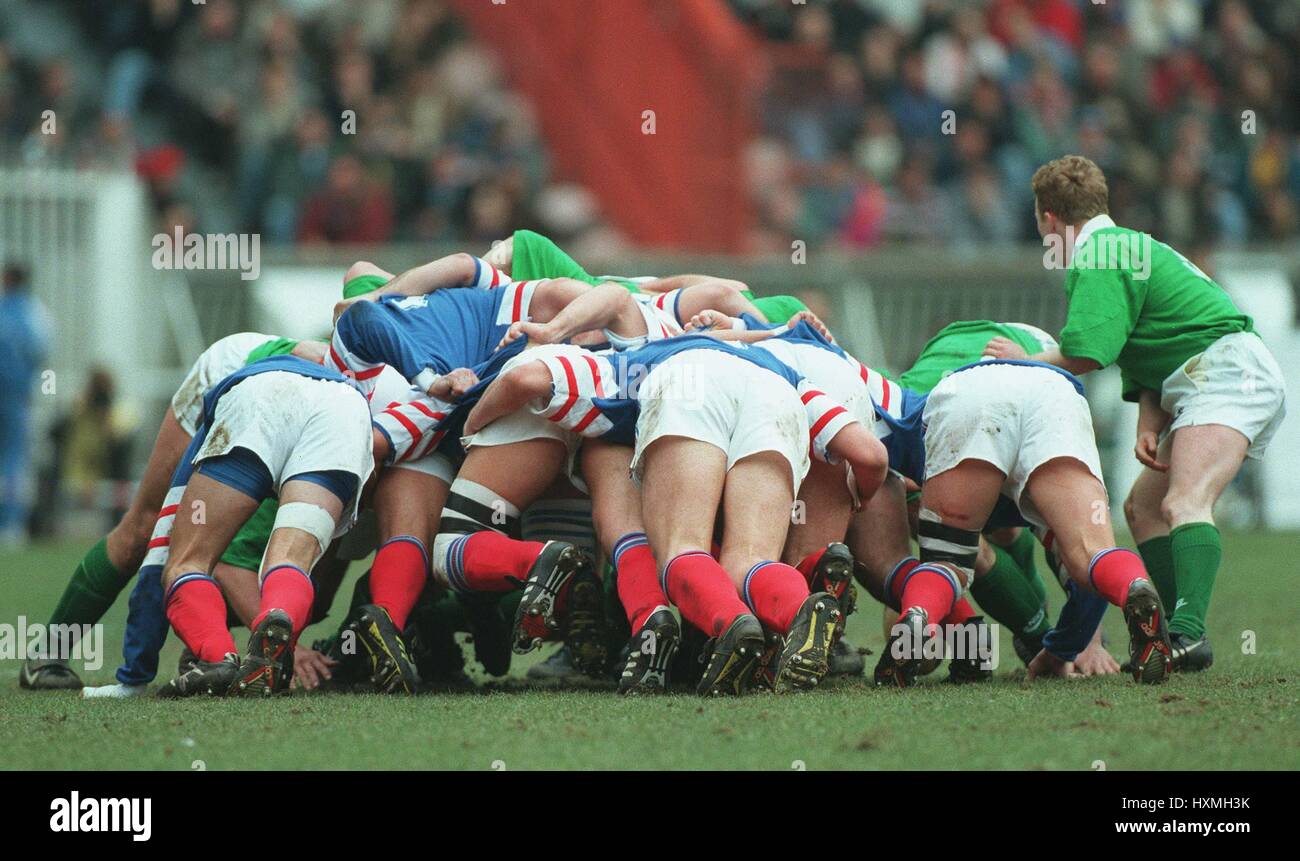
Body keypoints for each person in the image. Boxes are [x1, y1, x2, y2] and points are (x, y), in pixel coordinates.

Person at [985, 154, 1287, 671]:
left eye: (1039, 223)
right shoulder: (1121, 245)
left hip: (1227, 372)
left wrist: (1025, 360)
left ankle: (1188, 635)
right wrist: (1151, 419)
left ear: (1050, 218)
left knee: (1186, 501)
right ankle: (1173, 632)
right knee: (1142, 509)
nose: (1041, 235)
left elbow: (1088, 352)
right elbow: (1149, 344)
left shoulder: (1098, 252)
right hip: (1208, 375)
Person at [0, 263, 50, 547]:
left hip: (11, 396)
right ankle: (11, 525)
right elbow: (42, 353)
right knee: (13, 462)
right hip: (18, 397)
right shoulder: (35, 314)